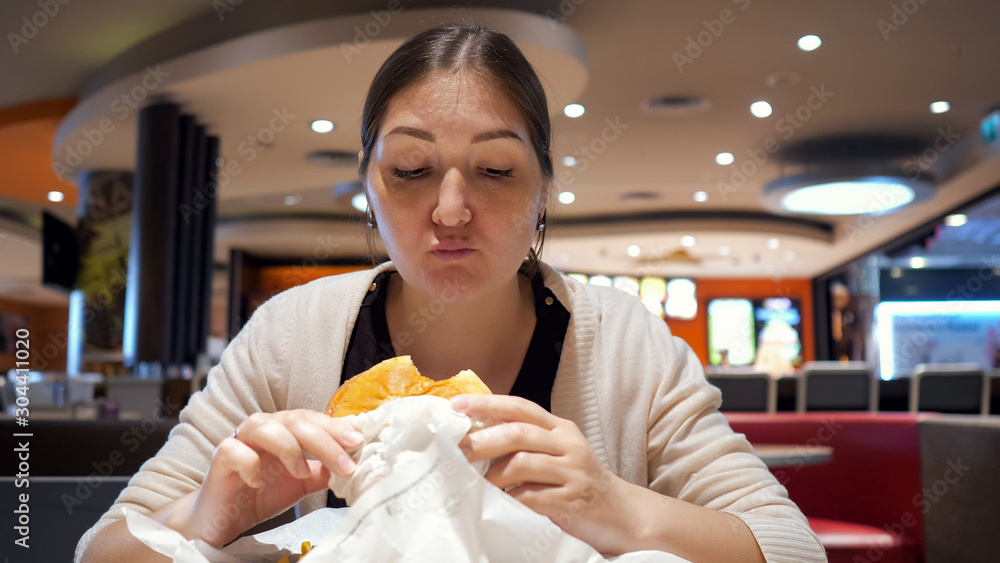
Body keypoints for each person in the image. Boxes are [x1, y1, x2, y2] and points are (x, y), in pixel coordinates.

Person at [77, 22, 826, 562]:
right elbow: (102, 547)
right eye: (411, 170)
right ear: (368, 187)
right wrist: (208, 516)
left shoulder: (626, 343)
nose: (451, 210)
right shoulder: (291, 334)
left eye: (495, 171)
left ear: (543, 189)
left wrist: (615, 505)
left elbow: (790, 546)